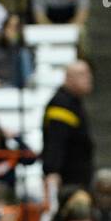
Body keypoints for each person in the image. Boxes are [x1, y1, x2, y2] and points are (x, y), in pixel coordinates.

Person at [42, 60, 95, 207]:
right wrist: (52, 171)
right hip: (67, 182)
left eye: (88, 73)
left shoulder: (73, 102)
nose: (89, 78)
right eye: (82, 74)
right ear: (68, 78)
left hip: (77, 179)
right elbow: (55, 140)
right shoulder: (62, 103)